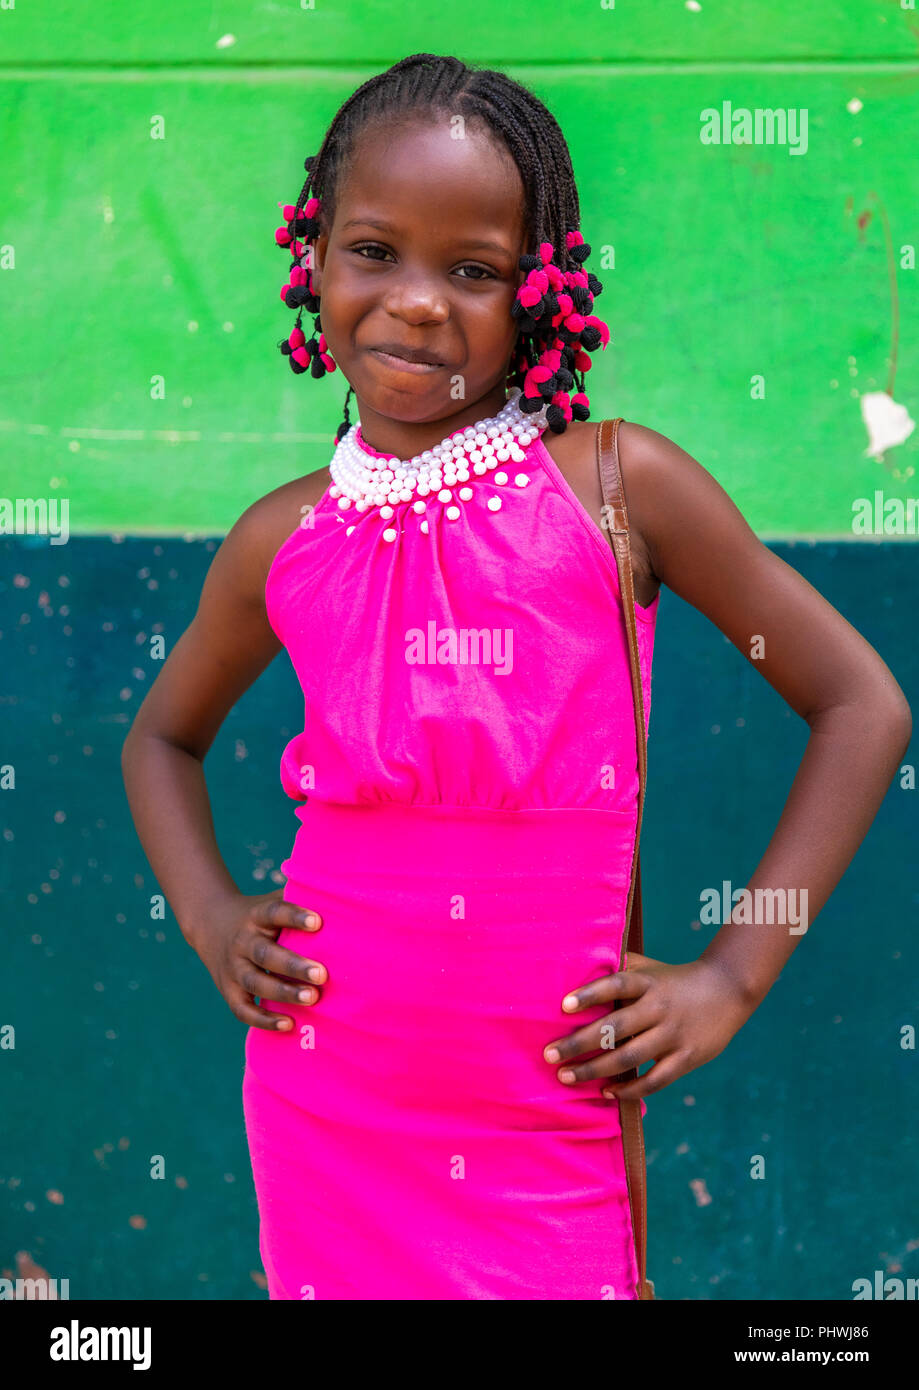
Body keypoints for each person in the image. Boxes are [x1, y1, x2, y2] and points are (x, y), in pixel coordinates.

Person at [121, 53, 912, 1300]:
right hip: (327, 1100)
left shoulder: (615, 490)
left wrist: (730, 974)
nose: (418, 303)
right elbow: (159, 742)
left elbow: (861, 704)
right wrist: (215, 919)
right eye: (374, 250)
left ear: (539, 296)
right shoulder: (282, 537)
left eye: (474, 270)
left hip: (545, 1112)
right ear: (312, 257)